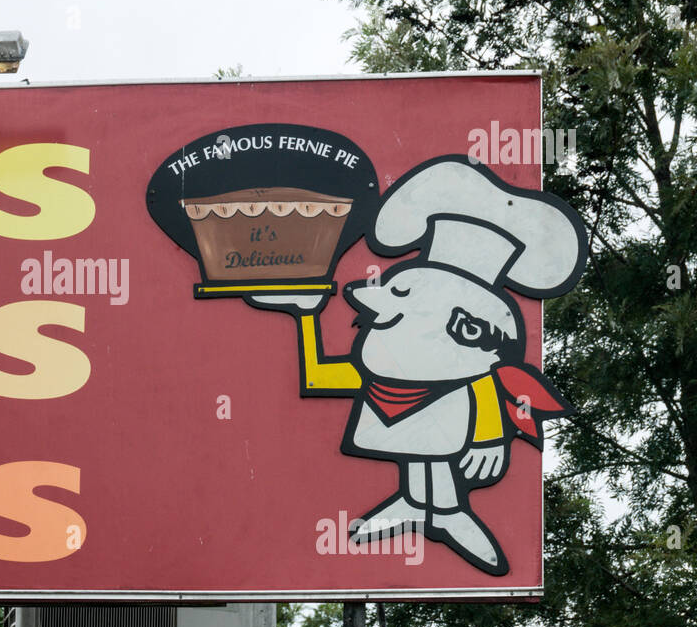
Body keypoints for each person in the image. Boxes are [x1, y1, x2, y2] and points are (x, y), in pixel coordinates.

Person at [249, 158, 585, 575]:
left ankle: (447, 512)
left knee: (437, 450)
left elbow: (484, 387)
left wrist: (489, 440)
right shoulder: (376, 372)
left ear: (466, 329)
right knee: (419, 451)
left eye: (402, 296)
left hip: (452, 420)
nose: (371, 303)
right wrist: (305, 315)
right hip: (399, 416)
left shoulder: (469, 374)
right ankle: (413, 503)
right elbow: (317, 377)